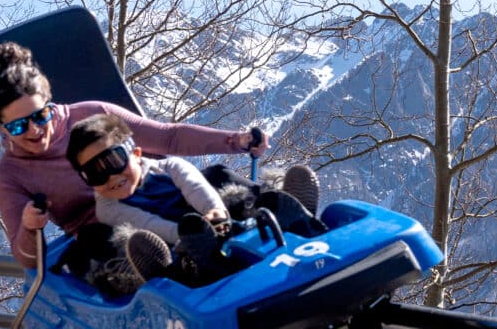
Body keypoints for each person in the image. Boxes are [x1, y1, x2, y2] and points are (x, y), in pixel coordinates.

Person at [0, 40, 281, 265]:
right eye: (17, 127)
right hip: (113, 229)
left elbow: (167, 139)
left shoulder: (93, 114)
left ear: (50, 101)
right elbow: (27, 258)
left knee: (217, 176)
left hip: (157, 195)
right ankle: (176, 267)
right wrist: (30, 227)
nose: (34, 130)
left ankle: (283, 211)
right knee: (94, 244)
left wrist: (236, 141)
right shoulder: (11, 175)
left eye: (42, 116)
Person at [64, 113, 325, 295]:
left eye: (113, 162)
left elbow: (196, 188)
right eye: (95, 174)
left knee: (218, 175)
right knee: (106, 239)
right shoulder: (108, 208)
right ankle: (180, 270)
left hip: (219, 220)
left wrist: (216, 213)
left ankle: (291, 212)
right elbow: (150, 225)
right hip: (182, 243)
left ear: (136, 153)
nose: (111, 177)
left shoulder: (169, 167)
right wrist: (194, 233)